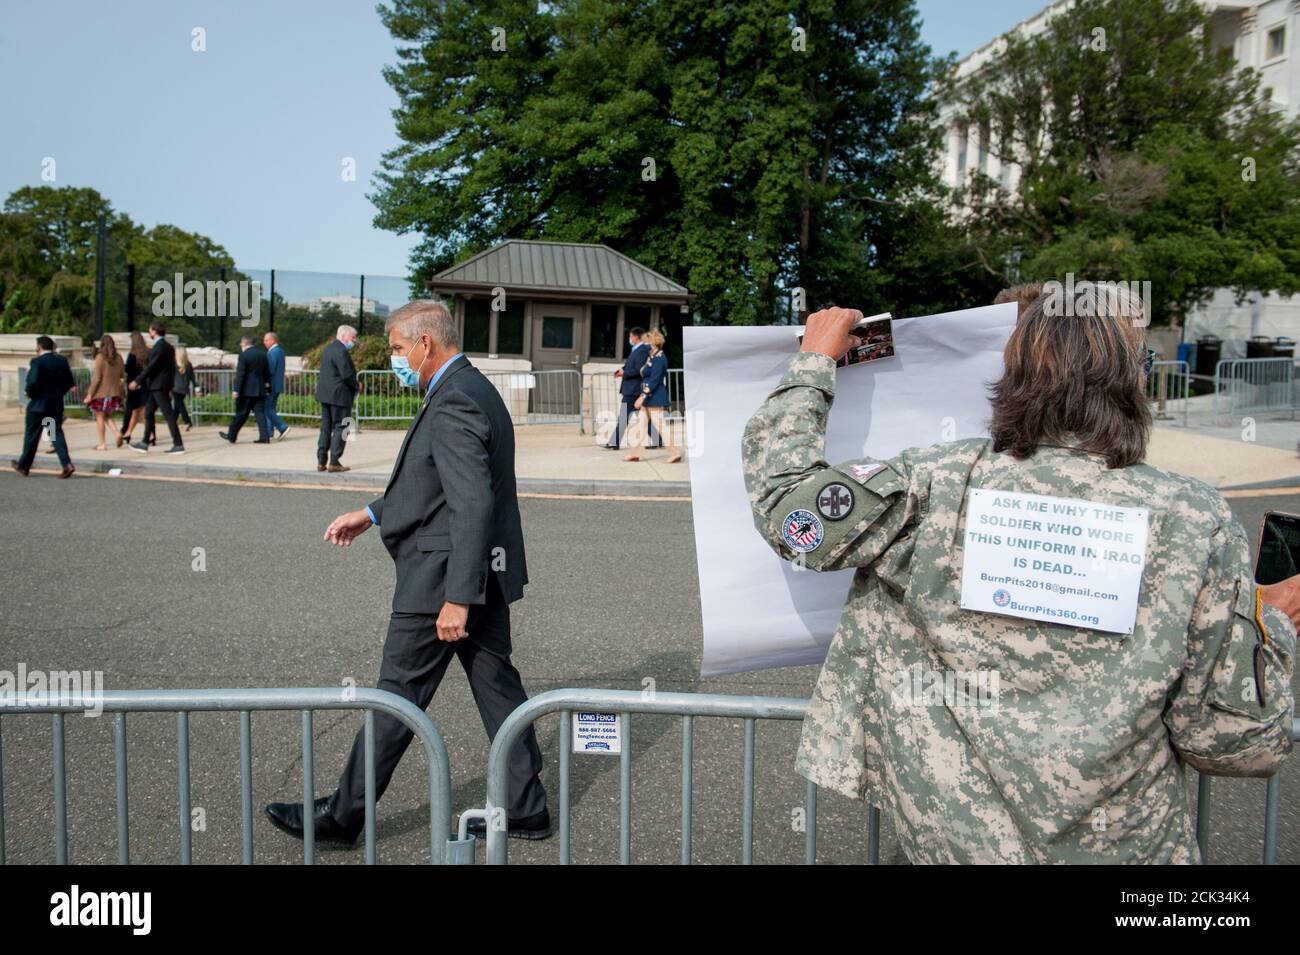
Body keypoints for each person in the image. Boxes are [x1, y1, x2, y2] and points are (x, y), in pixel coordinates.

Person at [742, 295, 1298, 864]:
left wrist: (814, 363)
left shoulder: (938, 484)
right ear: (1136, 384)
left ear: (1015, 376)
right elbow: (1232, 739)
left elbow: (794, 511)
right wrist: (1268, 619)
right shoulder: (1193, 518)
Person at [265, 300, 550, 845]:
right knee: (497, 688)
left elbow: (470, 506)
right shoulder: (472, 388)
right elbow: (435, 485)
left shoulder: (454, 401)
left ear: (425, 344)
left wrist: (458, 598)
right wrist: (372, 513)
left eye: (397, 349)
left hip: (444, 580)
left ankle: (343, 817)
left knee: (395, 697)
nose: (394, 358)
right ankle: (525, 804)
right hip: (476, 570)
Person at [13, 336, 74, 478]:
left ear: (39, 347)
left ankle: (24, 465)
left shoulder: (37, 362)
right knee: (55, 434)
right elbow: (68, 383)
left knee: (32, 436)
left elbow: (32, 381)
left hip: (38, 406)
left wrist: (29, 393)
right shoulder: (61, 361)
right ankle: (67, 464)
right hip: (55, 405)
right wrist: (58, 394)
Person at [624, 328, 681, 463]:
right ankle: (635, 453)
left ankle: (675, 452)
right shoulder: (653, 357)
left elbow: (654, 380)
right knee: (641, 426)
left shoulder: (659, 359)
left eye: (647, 343)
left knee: (660, 426)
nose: (645, 345)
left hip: (654, 397)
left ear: (654, 344)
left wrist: (642, 396)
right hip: (649, 397)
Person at [129, 322, 185, 455]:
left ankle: (178, 444)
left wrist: (137, 380)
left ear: (154, 331)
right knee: (148, 412)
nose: (149, 333)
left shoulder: (159, 347)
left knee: (168, 415)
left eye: (150, 330)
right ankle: (144, 442)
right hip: (160, 385)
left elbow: (151, 367)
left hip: (158, 386)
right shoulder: (168, 347)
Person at [314, 324, 358, 473]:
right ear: (344, 335)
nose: (354, 341)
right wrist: (357, 385)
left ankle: (321, 461)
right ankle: (334, 461)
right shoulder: (341, 351)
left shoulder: (329, 348)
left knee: (325, 428)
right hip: (340, 395)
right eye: (353, 337)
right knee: (341, 426)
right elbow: (346, 374)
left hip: (325, 394)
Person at [604, 326, 650, 450]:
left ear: (635, 337)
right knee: (645, 416)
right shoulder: (636, 349)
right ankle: (659, 439)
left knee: (624, 416)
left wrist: (625, 373)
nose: (629, 338)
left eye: (630, 336)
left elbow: (638, 370)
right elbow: (630, 366)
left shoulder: (641, 350)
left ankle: (615, 442)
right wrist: (622, 370)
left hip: (633, 389)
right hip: (633, 389)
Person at [220, 336, 270, 444]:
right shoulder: (262, 354)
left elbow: (241, 374)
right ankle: (264, 437)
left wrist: (236, 390)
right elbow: (266, 372)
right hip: (260, 389)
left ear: (245, 344)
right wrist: (267, 385)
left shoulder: (243, 355)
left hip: (246, 391)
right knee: (260, 414)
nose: (240, 346)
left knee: (240, 413)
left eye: (241, 344)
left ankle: (231, 435)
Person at [84, 335, 125, 451]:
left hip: (101, 392)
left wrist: (90, 394)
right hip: (114, 392)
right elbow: (122, 375)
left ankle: (102, 443)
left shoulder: (100, 357)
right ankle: (117, 433)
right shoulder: (119, 358)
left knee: (100, 416)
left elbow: (97, 378)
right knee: (106, 415)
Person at [119, 331, 150, 447]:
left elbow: (128, 370)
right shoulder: (148, 353)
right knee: (144, 412)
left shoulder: (132, 355)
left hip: (134, 385)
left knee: (131, 411)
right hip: (145, 385)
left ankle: (126, 431)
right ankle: (150, 434)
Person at [263, 331, 290, 441]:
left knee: (267, 409)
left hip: (272, 385)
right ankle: (269, 432)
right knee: (270, 408)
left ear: (273, 340)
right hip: (277, 385)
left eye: (266, 340)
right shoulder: (279, 351)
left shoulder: (273, 352)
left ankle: (283, 427)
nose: (264, 342)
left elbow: (270, 369)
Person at [172, 346, 199, 432]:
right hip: (184, 388)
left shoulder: (174, 364)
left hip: (175, 388)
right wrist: (197, 388)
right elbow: (193, 378)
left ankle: (187, 421)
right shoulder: (188, 364)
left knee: (180, 406)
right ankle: (172, 422)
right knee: (177, 406)